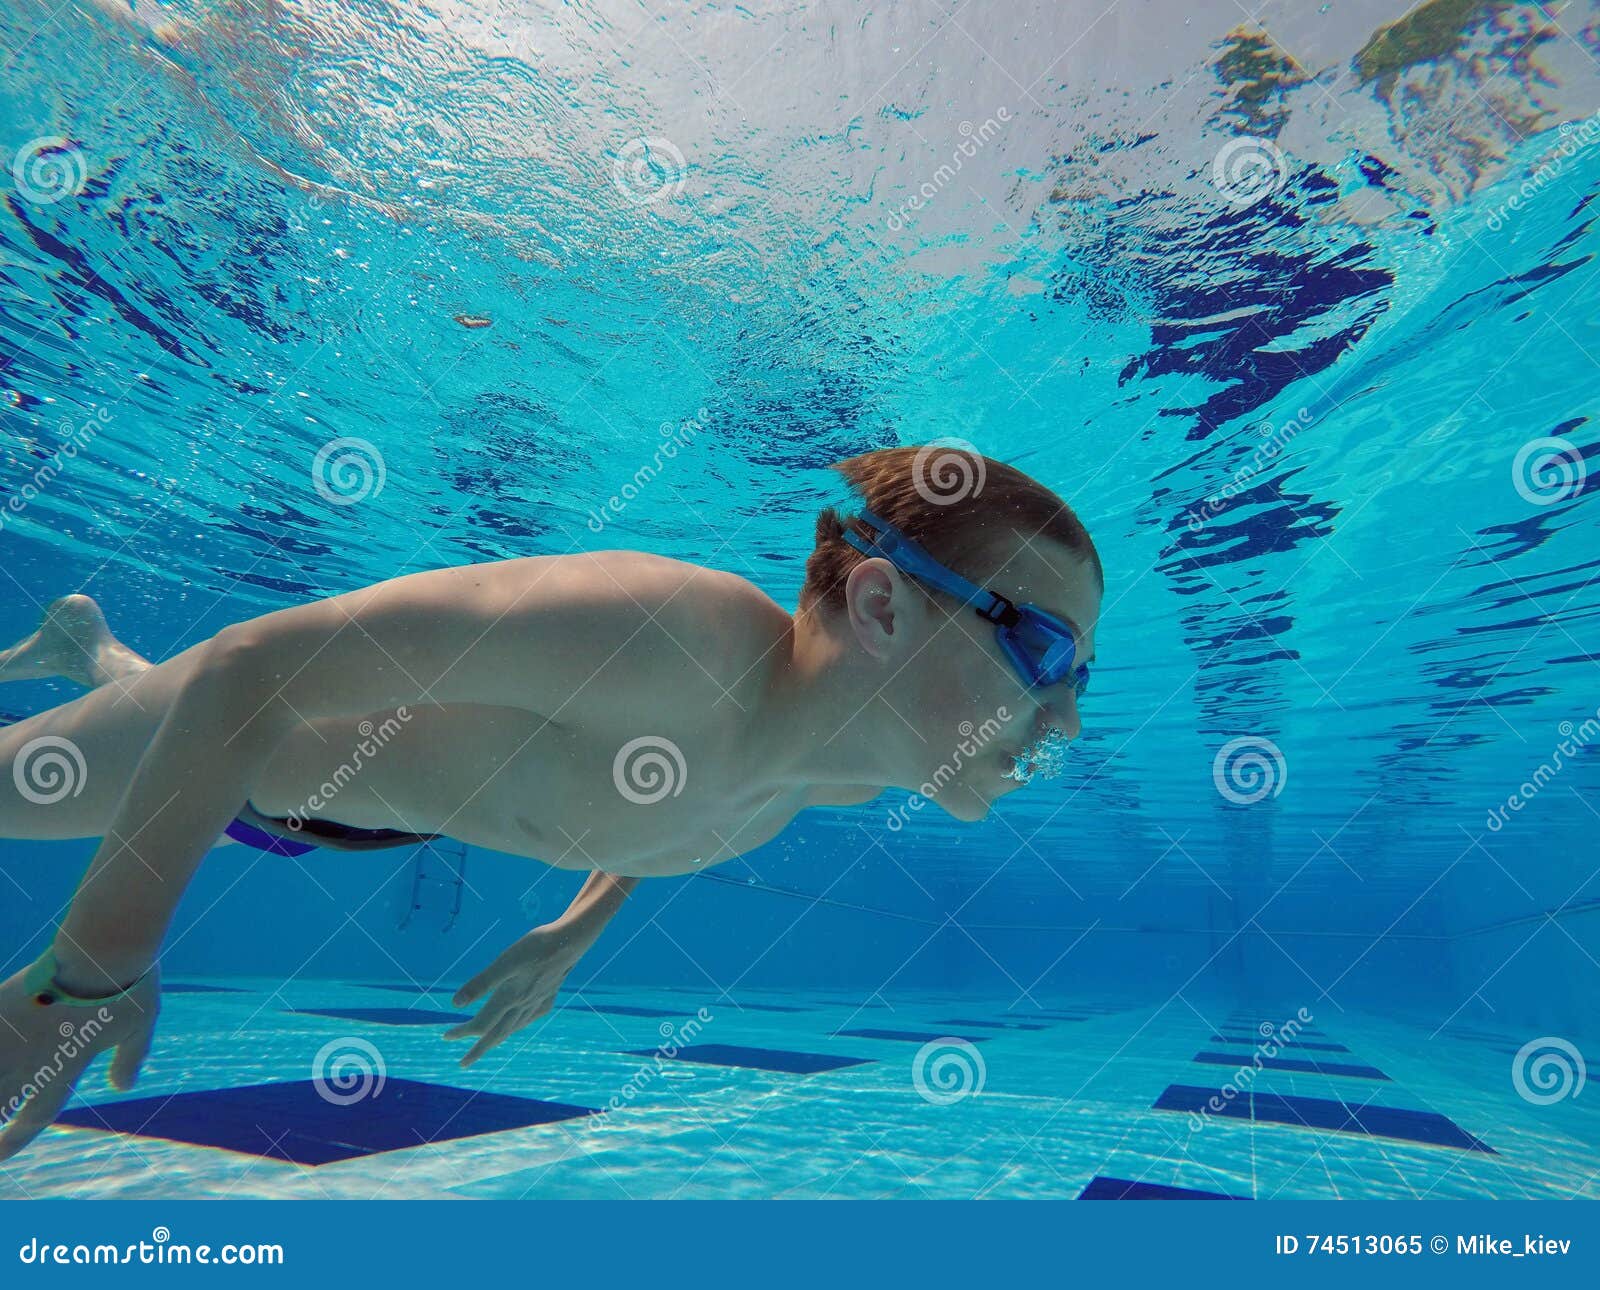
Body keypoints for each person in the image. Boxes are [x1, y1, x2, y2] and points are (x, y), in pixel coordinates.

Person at [0, 445, 1100, 1159]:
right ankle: (95, 655)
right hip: (224, 752)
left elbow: (671, 800)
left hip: (356, 819)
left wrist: (574, 931)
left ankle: (89, 647)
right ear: (883, 608)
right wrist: (88, 970)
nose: (1066, 720)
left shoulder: (845, 764)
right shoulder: (663, 633)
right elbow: (246, 669)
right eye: (1045, 652)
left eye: (1080, 676)